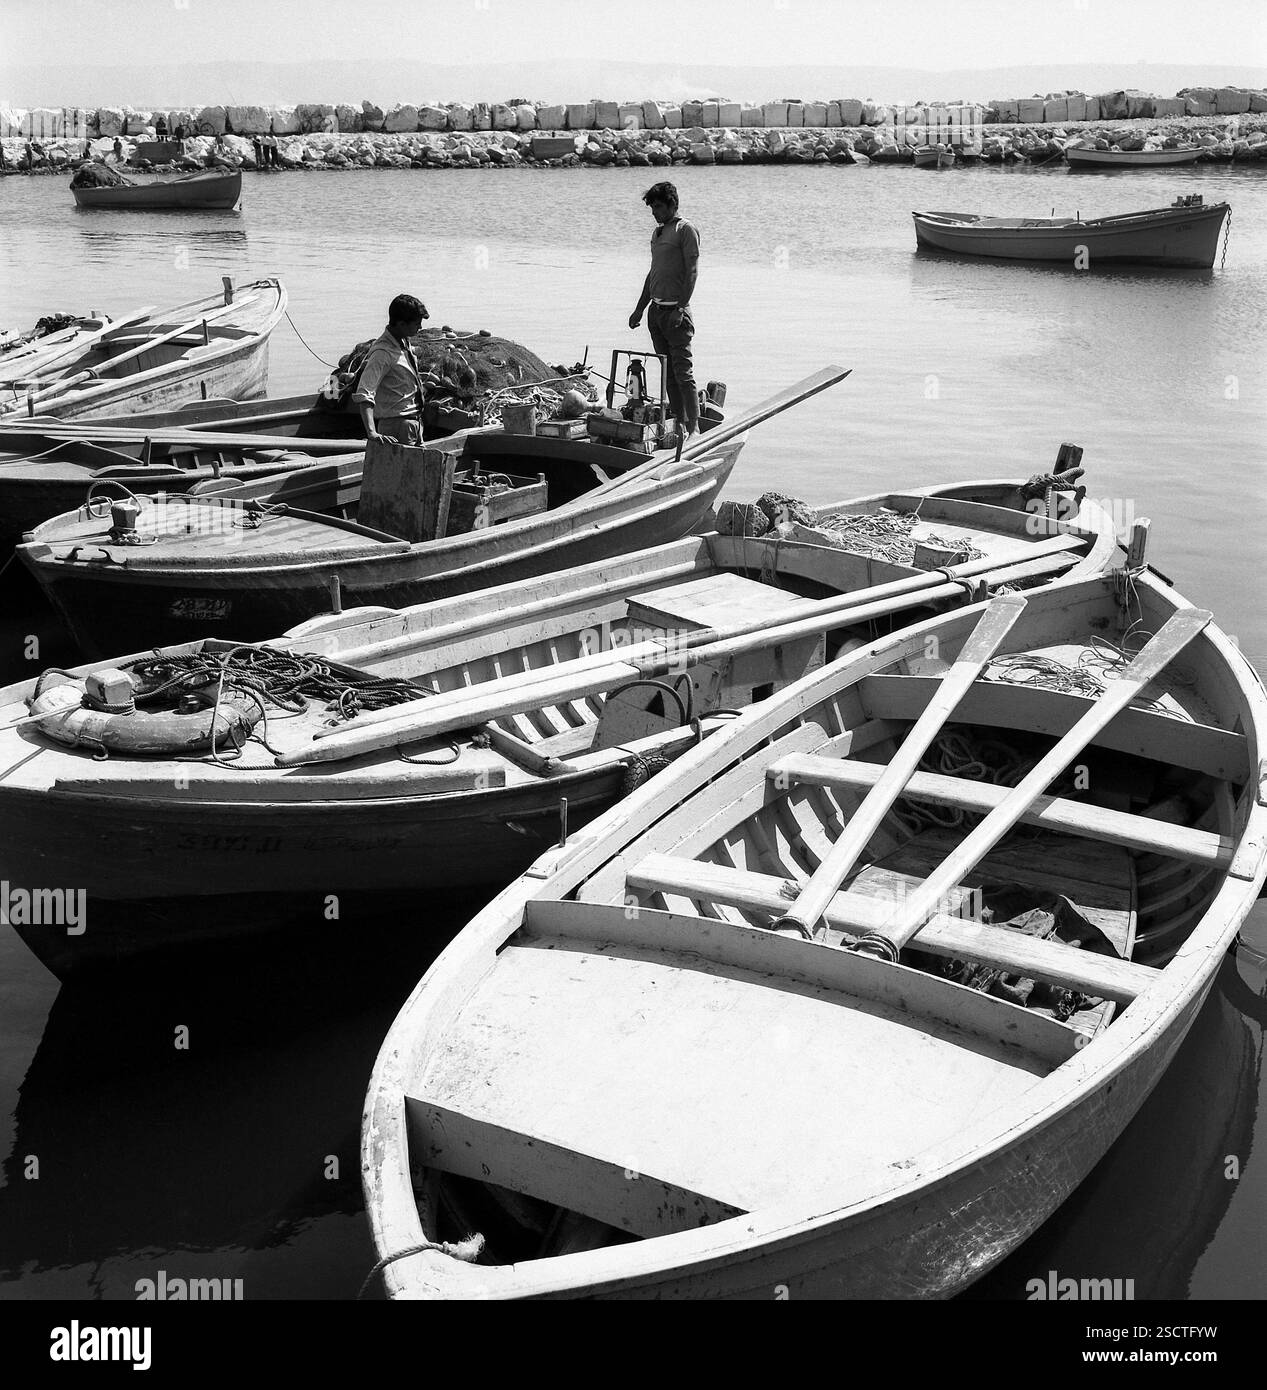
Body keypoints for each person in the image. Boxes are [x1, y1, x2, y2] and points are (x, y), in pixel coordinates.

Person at [628, 180, 701, 437]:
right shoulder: (658, 233)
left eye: (657, 207)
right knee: (667, 373)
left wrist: (681, 308)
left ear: (672, 204)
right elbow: (653, 274)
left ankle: (694, 428)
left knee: (683, 373)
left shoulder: (685, 229)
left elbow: (692, 271)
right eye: (652, 208)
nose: (654, 213)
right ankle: (679, 424)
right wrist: (639, 309)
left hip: (676, 313)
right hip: (656, 313)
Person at [353, 294, 441, 446]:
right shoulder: (383, 353)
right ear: (401, 324)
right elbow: (364, 392)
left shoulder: (403, 343)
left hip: (414, 425)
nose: (420, 328)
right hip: (397, 428)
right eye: (416, 324)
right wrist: (372, 432)